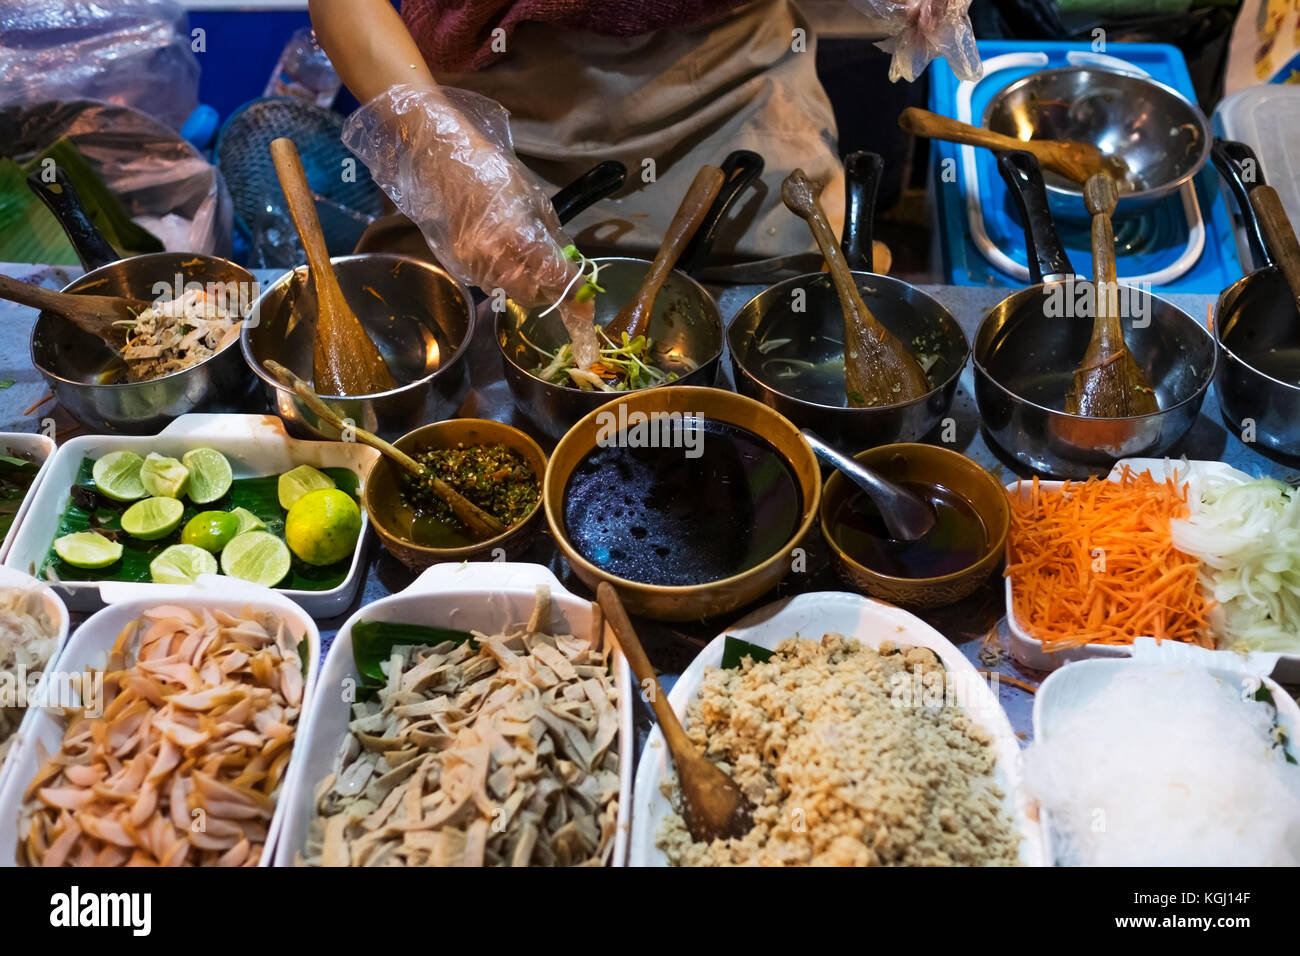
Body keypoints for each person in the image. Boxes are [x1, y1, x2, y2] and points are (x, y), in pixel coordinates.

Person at [308, 0, 977, 363]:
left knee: (796, 327)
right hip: (490, 101)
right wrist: (443, 149)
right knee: (423, 335)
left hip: (733, 71)